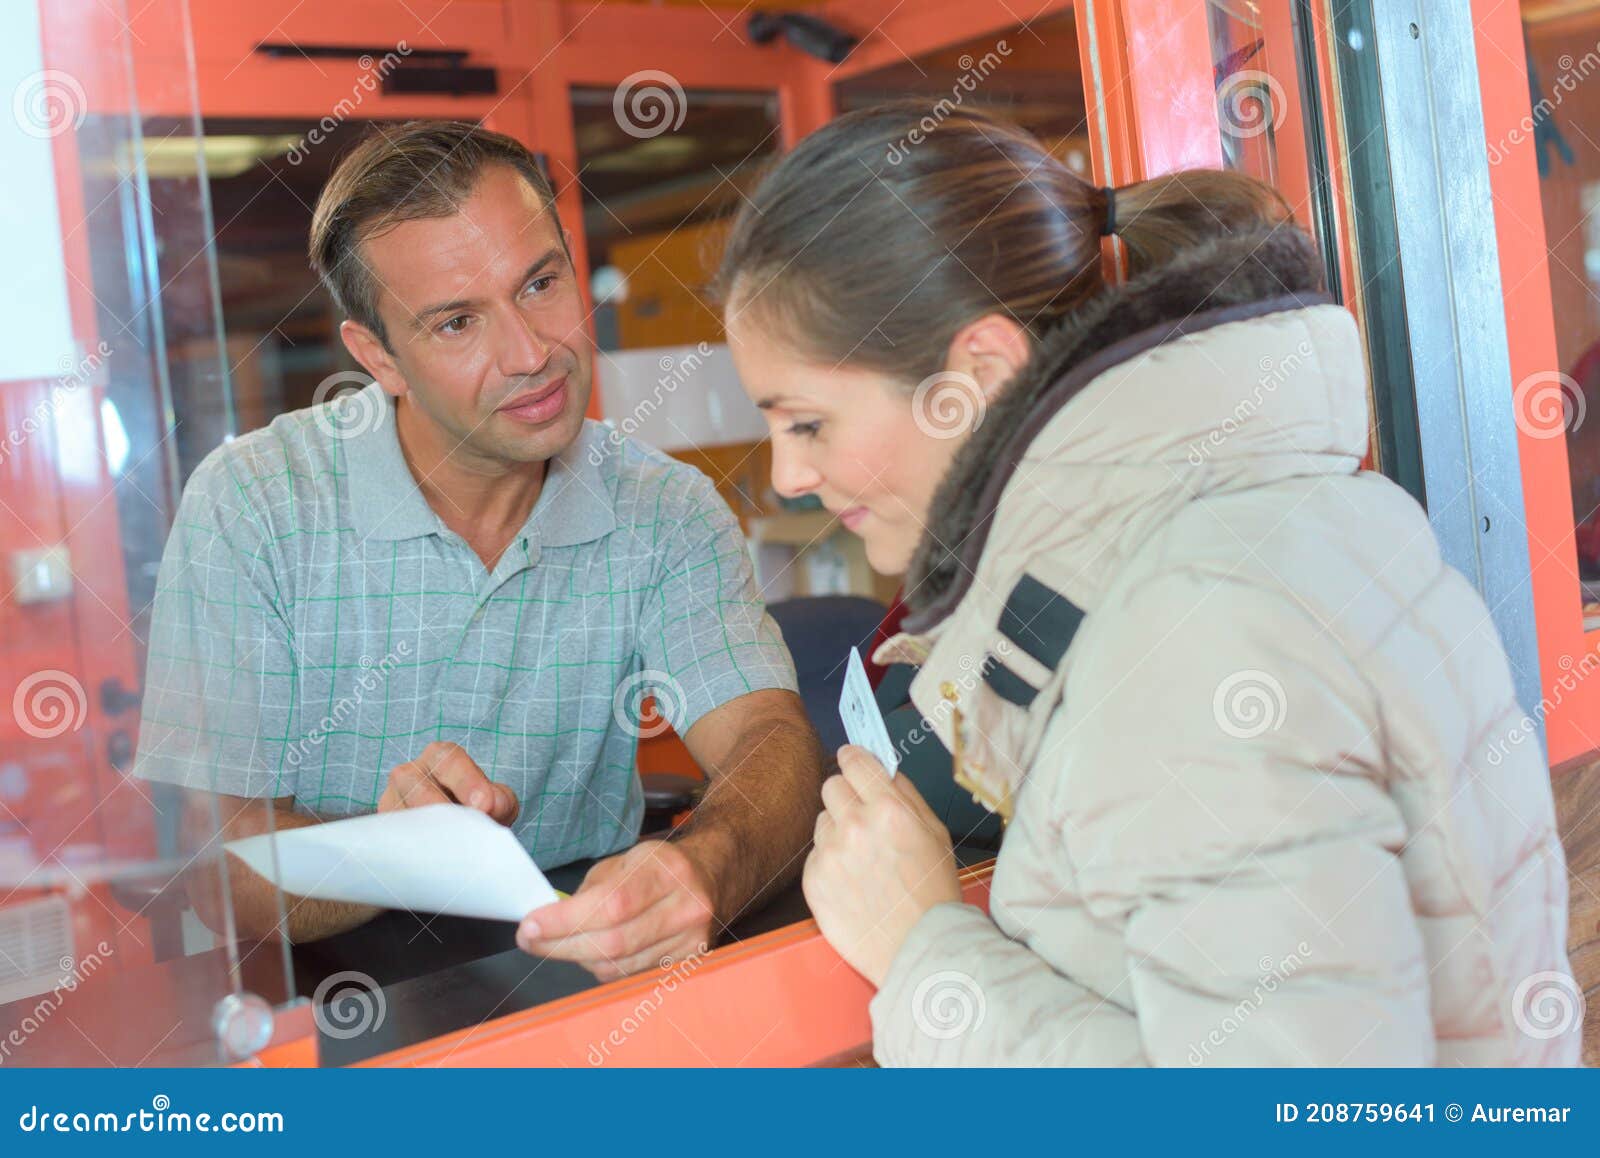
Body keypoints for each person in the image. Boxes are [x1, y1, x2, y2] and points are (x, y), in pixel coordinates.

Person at [714, 104, 1579, 1065]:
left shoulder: (1185, 626)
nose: (789, 474)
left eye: (807, 422)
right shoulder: (1265, 524)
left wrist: (925, 956)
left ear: (980, 375)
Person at [133, 121, 823, 981]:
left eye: (540, 283)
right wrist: (395, 852)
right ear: (379, 357)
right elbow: (214, 865)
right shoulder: (255, 506)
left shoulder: (664, 507)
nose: (532, 354)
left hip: (588, 956)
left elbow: (770, 739)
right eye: (457, 322)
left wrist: (704, 869)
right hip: (338, 987)